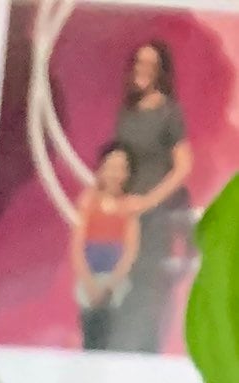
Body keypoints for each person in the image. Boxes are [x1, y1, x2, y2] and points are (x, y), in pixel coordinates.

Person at [105, 36, 195, 353]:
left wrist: (148, 201)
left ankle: (140, 358)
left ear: (160, 71)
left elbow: (184, 166)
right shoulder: (127, 111)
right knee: (118, 286)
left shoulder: (170, 113)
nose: (143, 69)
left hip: (154, 218)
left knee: (145, 292)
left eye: (151, 64)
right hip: (122, 215)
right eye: (139, 63)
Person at [72, 141, 140, 352]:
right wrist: (88, 282)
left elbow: (130, 250)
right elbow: (77, 244)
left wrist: (112, 284)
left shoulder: (129, 206)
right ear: (100, 170)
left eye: (121, 168)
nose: (115, 174)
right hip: (90, 276)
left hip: (115, 280)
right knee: (90, 335)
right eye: (110, 167)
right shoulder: (88, 201)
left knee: (112, 333)